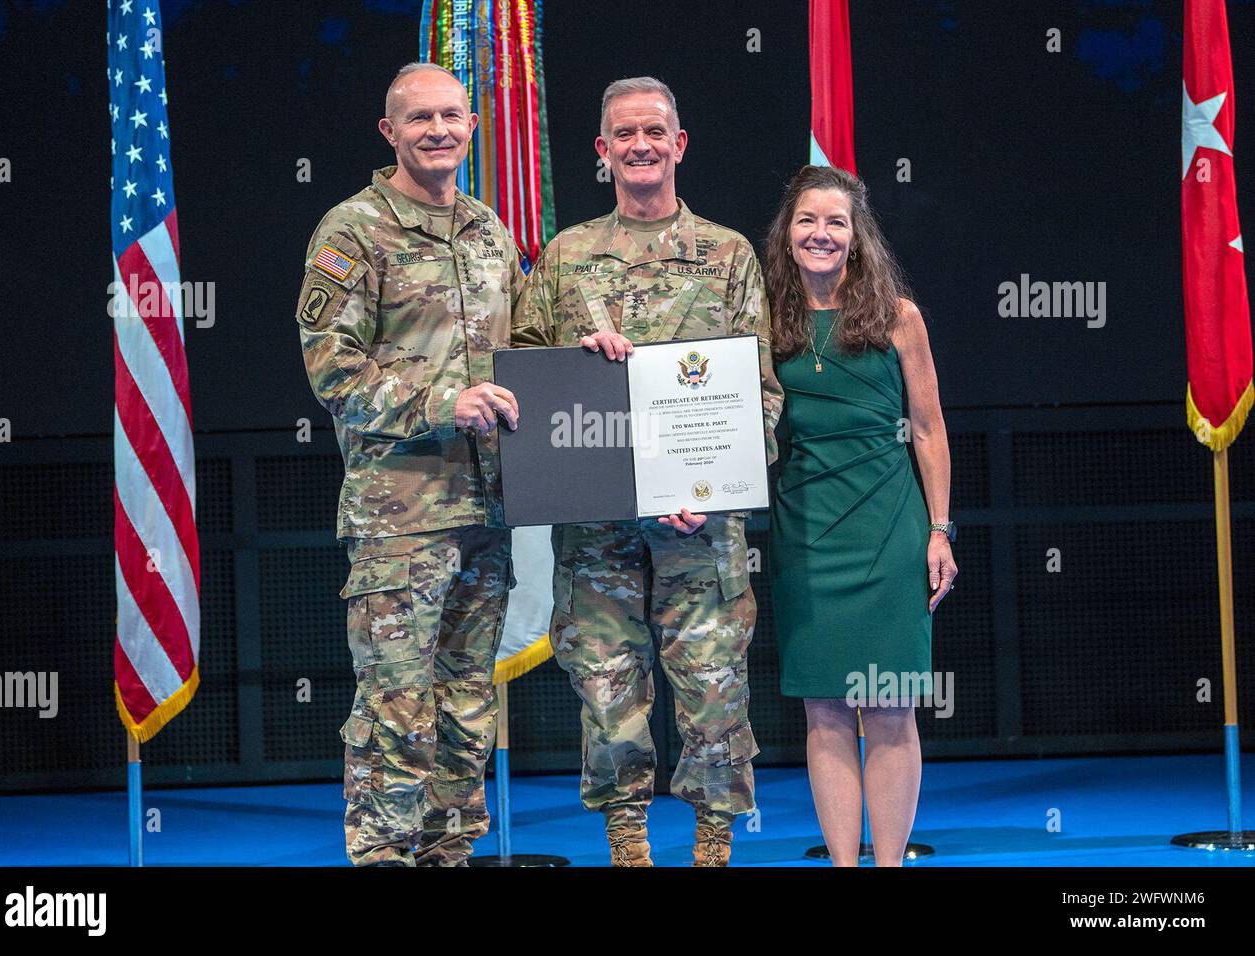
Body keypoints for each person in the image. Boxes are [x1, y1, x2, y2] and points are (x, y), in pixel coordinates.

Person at [512, 76, 783, 866]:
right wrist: (575, 361)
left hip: (700, 530)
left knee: (714, 693)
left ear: (679, 144)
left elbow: (761, 392)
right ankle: (627, 844)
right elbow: (526, 378)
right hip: (596, 531)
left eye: (654, 132)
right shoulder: (566, 258)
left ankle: (713, 847)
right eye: (624, 134)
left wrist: (714, 488)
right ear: (602, 150)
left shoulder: (727, 255)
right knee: (607, 697)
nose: (640, 146)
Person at [296, 62, 524, 866]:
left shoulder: (490, 231)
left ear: (472, 127)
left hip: (488, 511)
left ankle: (448, 855)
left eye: (451, 116)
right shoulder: (352, 231)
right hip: (401, 519)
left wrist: (588, 352)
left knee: (466, 709)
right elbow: (332, 368)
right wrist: (440, 402)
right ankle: (384, 857)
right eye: (419, 118)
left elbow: (526, 347)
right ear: (389, 131)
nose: (438, 130)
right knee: (396, 712)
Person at [764, 164, 957, 866]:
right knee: (824, 708)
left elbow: (928, 430)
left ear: (856, 235)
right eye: (807, 220)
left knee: (889, 706)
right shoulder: (763, 320)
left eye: (835, 222)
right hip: (805, 537)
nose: (820, 234)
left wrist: (940, 530)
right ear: (786, 233)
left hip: (889, 533)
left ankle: (889, 863)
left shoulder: (898, 317)